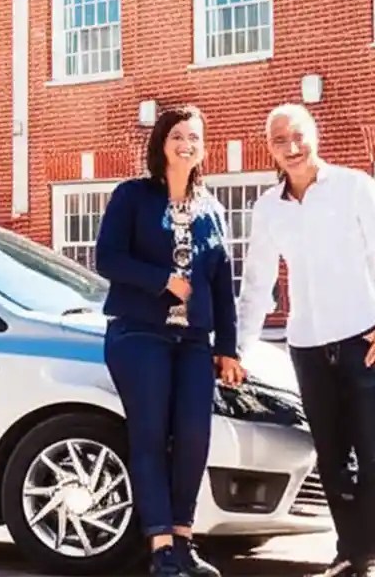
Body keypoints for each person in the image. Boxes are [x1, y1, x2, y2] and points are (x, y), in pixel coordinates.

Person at [235, 103, 375, 577]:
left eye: (298, 136)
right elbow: (257, 280)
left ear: (315, 135)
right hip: (307, 344)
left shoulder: (354, 188)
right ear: (269, 148)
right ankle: (348, 550)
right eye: (279, 141)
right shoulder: (268, 208)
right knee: (331, 456)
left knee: (372, 451)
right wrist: (240, 347)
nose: (291, 148)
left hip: (363, 338)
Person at [95, 105, 245, 577]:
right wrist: (164, 280)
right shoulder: (132, 196)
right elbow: (108, 259)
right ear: (161, 143)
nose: (187, 143)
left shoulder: (212, 209)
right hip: (139, 333)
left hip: (195, 340)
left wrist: (230, 348)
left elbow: (224, 283)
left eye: (195, 137)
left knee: (195, 438)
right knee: (151, 434)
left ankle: (183, 540)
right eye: (178, 135)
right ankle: (159, 546)